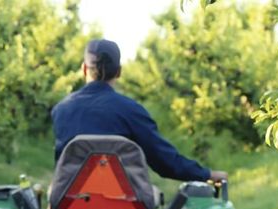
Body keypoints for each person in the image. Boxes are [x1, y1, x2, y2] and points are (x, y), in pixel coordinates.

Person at [51, 38, 227, 185]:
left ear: (83, 69)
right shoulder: (131, 110)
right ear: (119, 72)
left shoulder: (61, 109)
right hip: (124, 208)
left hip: (70, 206)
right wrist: (206, 174)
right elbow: (164, 161)